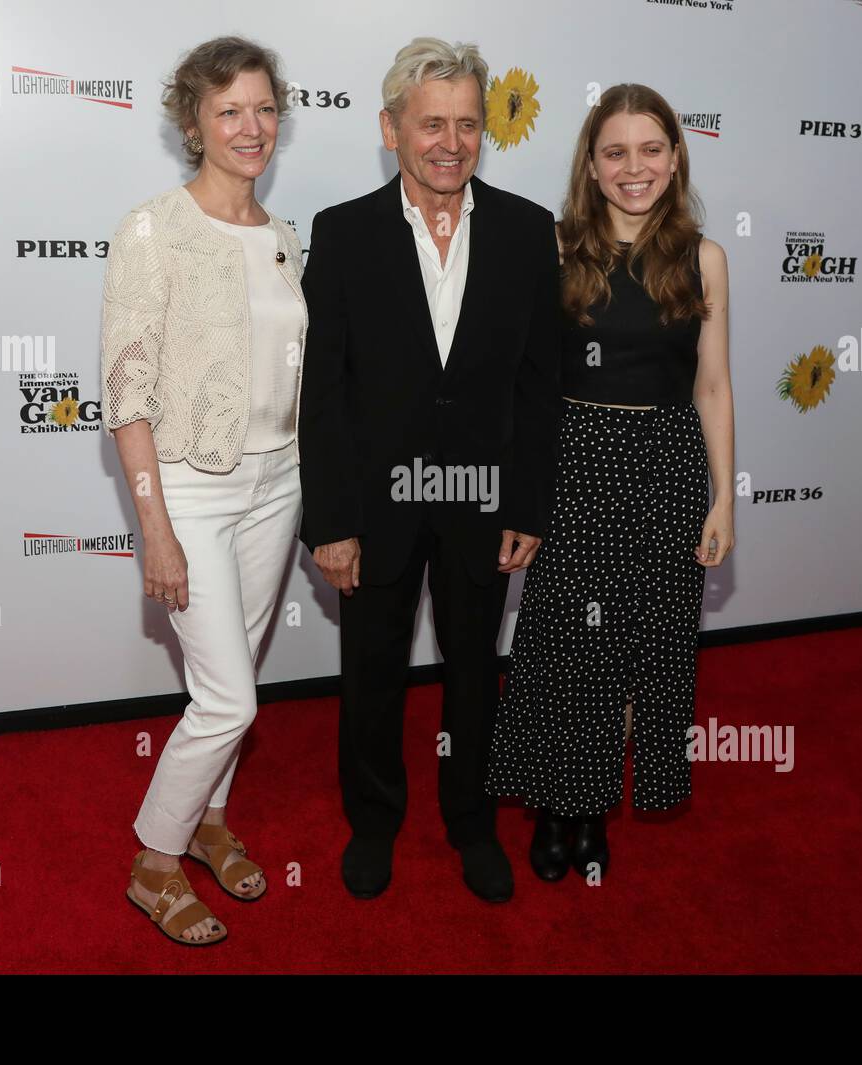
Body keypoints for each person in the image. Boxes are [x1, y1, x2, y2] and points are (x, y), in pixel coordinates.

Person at [298, 37, 561, 903]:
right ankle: (374, 821)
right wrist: (331, 520)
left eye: (468, 125)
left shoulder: (528, 231)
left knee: (476, 667)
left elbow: (537, 382)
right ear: (390, 129)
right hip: (377, 504)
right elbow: (324, 390)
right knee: (370, 668)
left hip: (484, 501)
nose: (451, 143)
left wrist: (525, 499)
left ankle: (473, 821)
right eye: (431, 125)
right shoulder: (341, 234)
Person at [485, 83, 735, 882]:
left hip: (665, 464)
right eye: (616, 152)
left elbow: (714, 386)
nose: (636, 168)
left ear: (675, 157)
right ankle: (558, 806)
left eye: (652, 150)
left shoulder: (704, 258)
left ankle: (594, 807)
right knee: (568, 648)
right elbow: (524, 379)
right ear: (592, 166)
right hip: (576, 461)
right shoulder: (554, 249)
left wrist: (725, 495)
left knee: (642, 648)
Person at [100, 36, 306, 945]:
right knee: (229, 699)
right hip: (190, 486)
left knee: (232, 679)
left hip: (279, 483)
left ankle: (208, 823)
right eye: (229, 111)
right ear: (193, 123)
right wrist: (156, 525)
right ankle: (153, 860)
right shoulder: (153, 229)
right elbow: (126, 389)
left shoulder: (283, 237)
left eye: (263, 108)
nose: (250, 127)